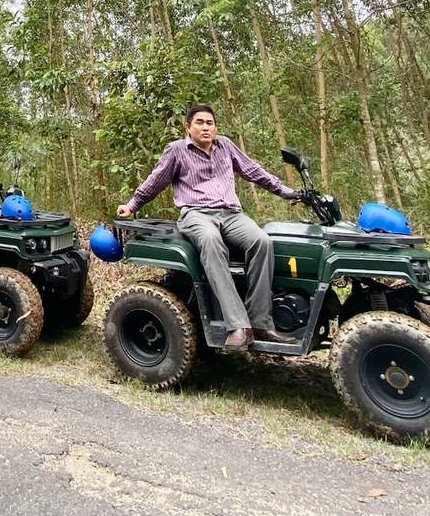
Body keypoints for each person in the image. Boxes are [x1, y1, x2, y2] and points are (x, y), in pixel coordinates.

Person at [116, 104, 303, 349]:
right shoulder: (176, 151)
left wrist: (286, 192)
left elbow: (254, 171)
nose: (206, 127)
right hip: (196, 214)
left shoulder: (225, 145)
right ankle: (238, 326)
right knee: (211, 240)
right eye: (200, 122)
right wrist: (132, 204)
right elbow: (156, 180)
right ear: (188, 127)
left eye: (210, 123)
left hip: (231, 214)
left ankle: (260, 323)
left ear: (215, 127)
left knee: (262, 241)